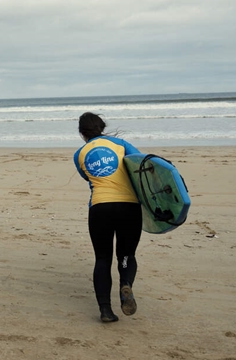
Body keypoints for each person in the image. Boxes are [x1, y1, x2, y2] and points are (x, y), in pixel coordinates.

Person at [73, 112, 142, 323]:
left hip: (100, 208)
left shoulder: (80, 154)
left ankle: (105, 310)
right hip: (129, 207)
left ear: (81, 132)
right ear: (102, 127)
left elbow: (88, 177)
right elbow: (141, 166)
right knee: (126, 255)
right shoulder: (121, 145)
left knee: (102, 258)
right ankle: (126, 284)